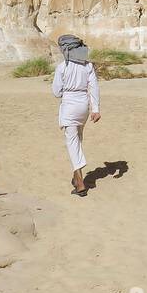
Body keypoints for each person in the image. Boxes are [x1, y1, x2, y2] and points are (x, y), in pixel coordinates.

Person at [52, 35, 100, 197]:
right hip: (84, 107)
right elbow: (93, 88)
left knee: (72, 142)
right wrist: (96, 109)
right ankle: (76, 176)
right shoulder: (88, 66)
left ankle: (80, 183)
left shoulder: (62, 67)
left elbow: (56, 92)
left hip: (69, 106)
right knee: (78, 138)